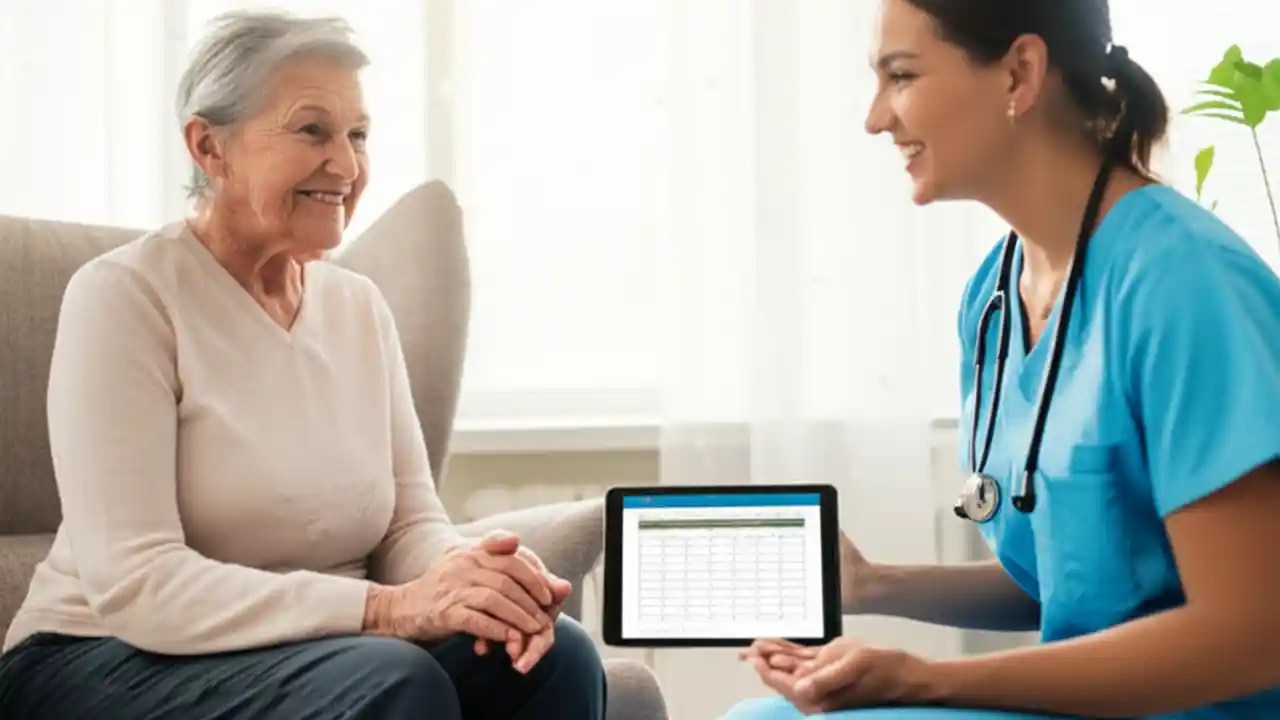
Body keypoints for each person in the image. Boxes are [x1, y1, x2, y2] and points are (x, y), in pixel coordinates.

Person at [0, 11, 605, 719]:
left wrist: (468, 579)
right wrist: (387, 609)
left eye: (358, 136)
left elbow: (408, 526)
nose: (346, 166)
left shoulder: (358, 308)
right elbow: (138, 584)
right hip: (99, 656)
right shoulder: (125, 298)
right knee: (397, 678)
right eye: (312, 130)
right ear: (209, 147)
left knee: (555, 655)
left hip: (321, 650)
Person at [726, 0, 1280, 718]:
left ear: (1019, 73)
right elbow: (1074, 582)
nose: (875, 118)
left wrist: (925, 679)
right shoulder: (993, 296)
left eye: (901, 76)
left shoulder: (1186, 285)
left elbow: (1253, 633)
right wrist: (870, 586)